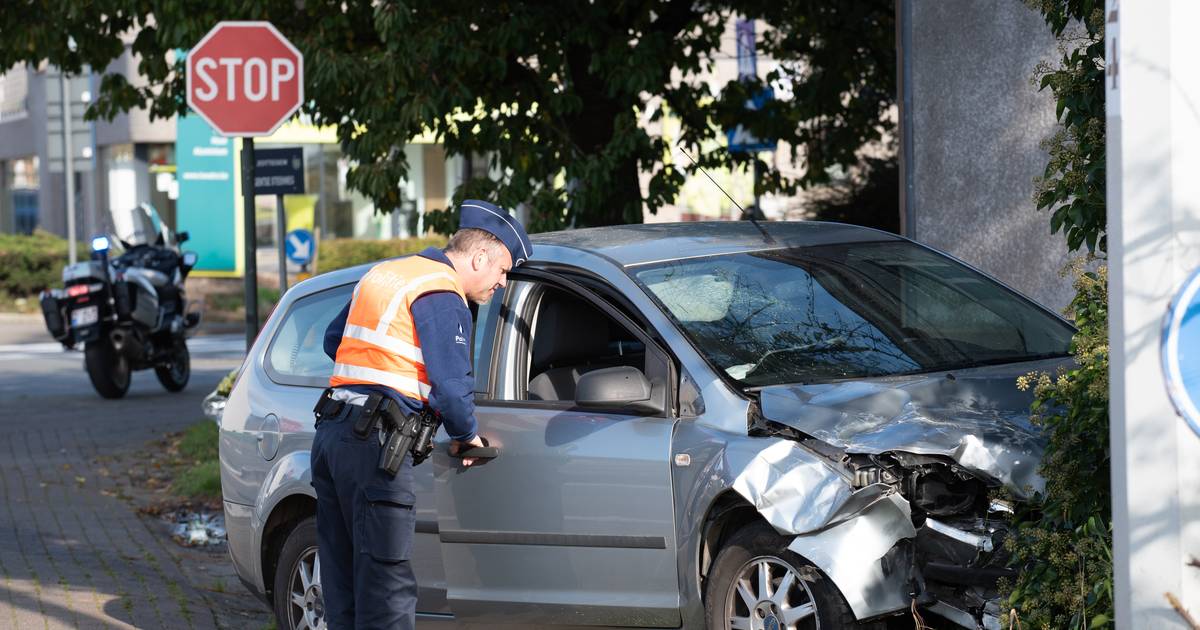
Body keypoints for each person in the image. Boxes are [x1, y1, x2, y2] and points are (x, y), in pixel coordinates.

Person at [310, 199, 532, 629]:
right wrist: (468, 435)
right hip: (375, 446)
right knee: (387, 591)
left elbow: (334, 339)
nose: (503, 283)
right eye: (503, 270)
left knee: (343, 589)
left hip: (333, 436)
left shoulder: (388, 273)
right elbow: (451, 389)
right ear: (480, 255)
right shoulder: (442, 292)